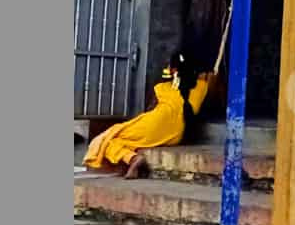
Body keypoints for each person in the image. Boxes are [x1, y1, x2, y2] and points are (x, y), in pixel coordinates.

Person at [83, 52, 213, 178]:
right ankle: (132, 159)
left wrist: (166, 78)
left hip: (153, 123)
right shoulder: (202, 87)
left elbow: (150, 109)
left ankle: (133, 159)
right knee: (116, 139)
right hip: (176, 135)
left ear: (173, 70)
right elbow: (210, 81)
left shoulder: (161, 87)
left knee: (106, 140)